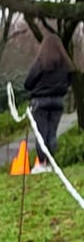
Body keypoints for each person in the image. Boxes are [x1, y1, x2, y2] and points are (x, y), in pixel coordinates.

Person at [24, 31, 74, 171]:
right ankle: (51, 163)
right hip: (58, 101)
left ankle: (41, 163)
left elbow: (28, 82)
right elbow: (68, 82)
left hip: (40, 101)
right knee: (52, 134)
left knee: (41, 134)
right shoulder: (66, 65)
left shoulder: (41, 62)